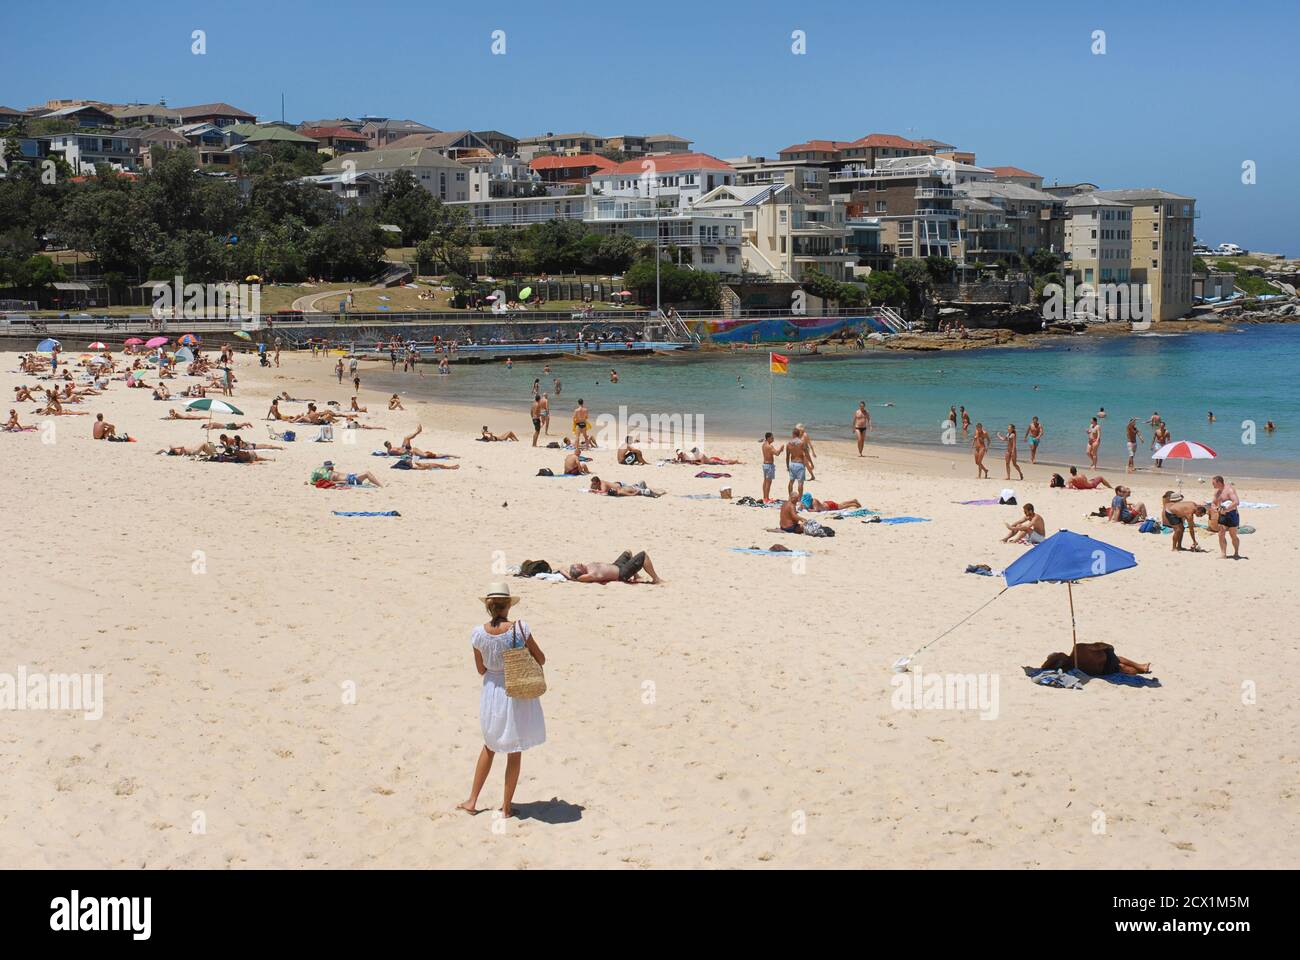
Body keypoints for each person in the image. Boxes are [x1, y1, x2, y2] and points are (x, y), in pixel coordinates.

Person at [458, 583, 546, 819]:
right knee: (514, 750)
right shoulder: (520, 628)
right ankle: (506, 807)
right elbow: (541, 658)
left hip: (491, 692)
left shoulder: (478, 633)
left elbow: (480, 669)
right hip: (515, 691)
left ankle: (472, 800)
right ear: (508, 605)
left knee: (489, 745)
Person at [1040, 644, 1150, 677]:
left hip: (1104, 665)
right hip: (1105, 664)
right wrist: (1108, 646)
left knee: (1119, 663)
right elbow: (1097, 646)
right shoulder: (1078, 650)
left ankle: (1140, 667)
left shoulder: (1072, 667)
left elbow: (1043, 668)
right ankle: (1140, 668)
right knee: (1120, 665)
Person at [561, 551, 663, 584]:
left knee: (628, 552)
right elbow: (574, 579)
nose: (580, 563)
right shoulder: (589, 575)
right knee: (643, 555)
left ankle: (636, 576)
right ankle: (656, 579)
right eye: (579, 566)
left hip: (617, 565)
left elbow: (570, 573)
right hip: (621, 573)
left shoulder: (587, 568)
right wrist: (564, 573)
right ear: (580, 571)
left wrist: (561, 570)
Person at [1209, 475, 1242, 560]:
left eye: (1213, 483)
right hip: (1222, 515)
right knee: (1221, 534)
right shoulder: (1217, 492)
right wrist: (1215, 508)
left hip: (1232, 514)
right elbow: (1213, 503)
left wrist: (1227, 509)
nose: (1212, 485)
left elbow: (1236, 502)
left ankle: (1236, 553)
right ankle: (1223, 554)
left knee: (1233, 535)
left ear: (1219, 482)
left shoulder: (1229, 490)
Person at [311, 460, 383, 488]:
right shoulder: (330, 475)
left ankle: (378, 484)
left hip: (351, 477)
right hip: (350, 479)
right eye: (332, 466)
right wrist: (341, 482)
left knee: (366, 473)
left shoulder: (330, 473)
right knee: (367, 473)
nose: (333, 467)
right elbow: (332, 482)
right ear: (329, 467)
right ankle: (381, 486)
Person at [785, 427, 810, 499]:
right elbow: (807, 454)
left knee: (791, 481)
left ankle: (790, 497)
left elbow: (787, 456)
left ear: (793, 434)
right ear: (799, 434)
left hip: (792, 464)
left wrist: (787, 466)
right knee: (800, 482)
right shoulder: (802, 443)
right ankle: (800, 498)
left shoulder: (789, 444)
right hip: (800, 464)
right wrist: (810, 463)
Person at [760, 432, 784, 502]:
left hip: (765, 465)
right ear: (768, 438)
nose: (773, 439)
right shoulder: (770, 446)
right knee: (768, 482)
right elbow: (777, 453)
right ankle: (766, 498)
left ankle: (765, 497)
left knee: (765, 481)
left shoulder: (764, 445)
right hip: (769, 466)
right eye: (772, 438)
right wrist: (781, 448)